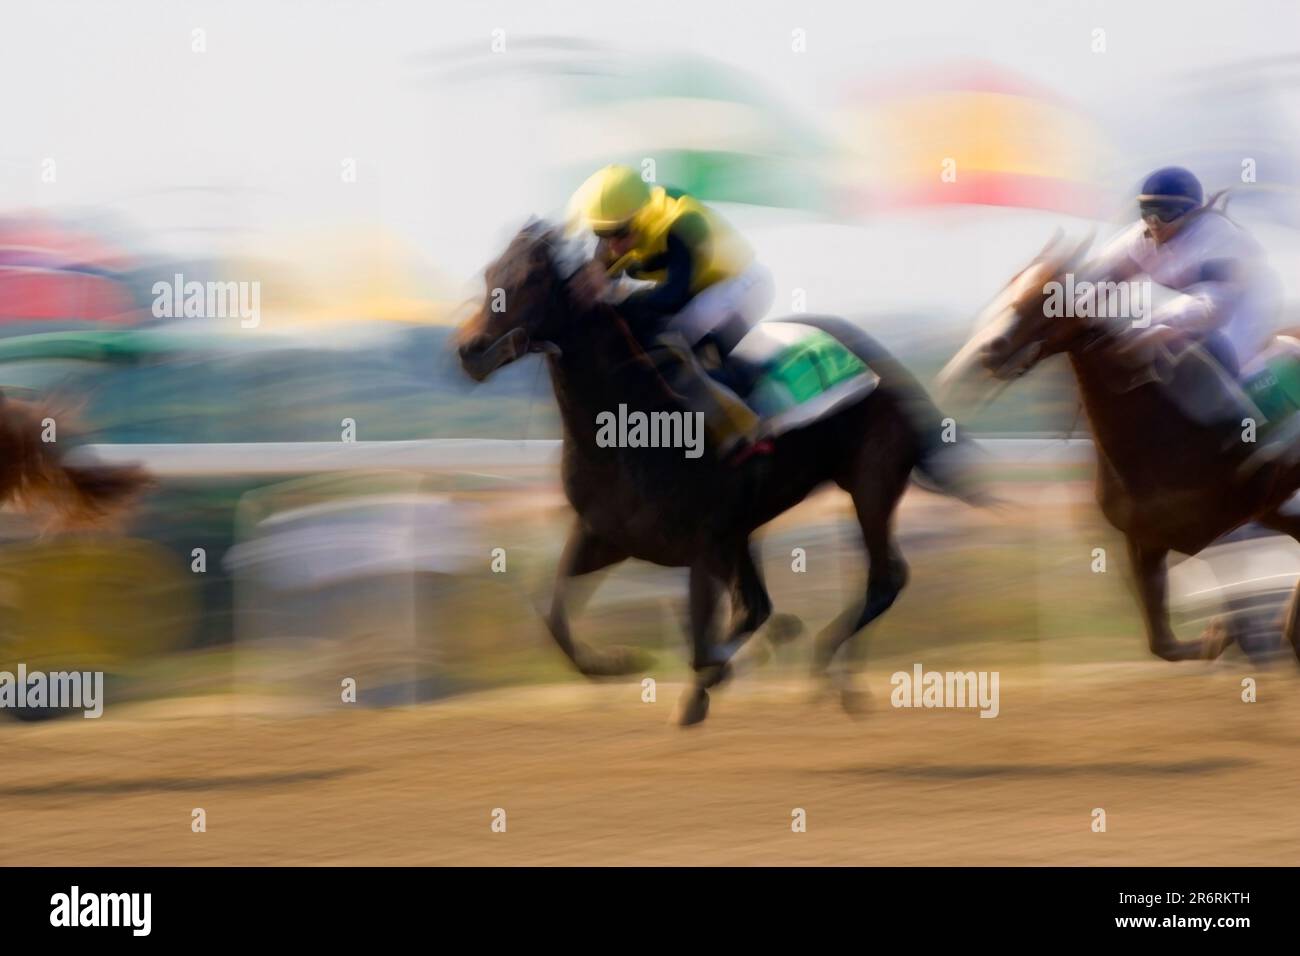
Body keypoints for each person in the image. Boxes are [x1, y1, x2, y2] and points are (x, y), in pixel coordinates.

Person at [568, 164, 774, 460]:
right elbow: (596, 291)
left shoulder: (680, 222)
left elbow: (673, 297)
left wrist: (616, 298)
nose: (613, 244)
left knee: (678, 338)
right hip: (702, 288)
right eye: (603, 233)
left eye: (620, 232)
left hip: (742, 282)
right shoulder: (615, 229)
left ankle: (754, 418)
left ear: (640, 216)